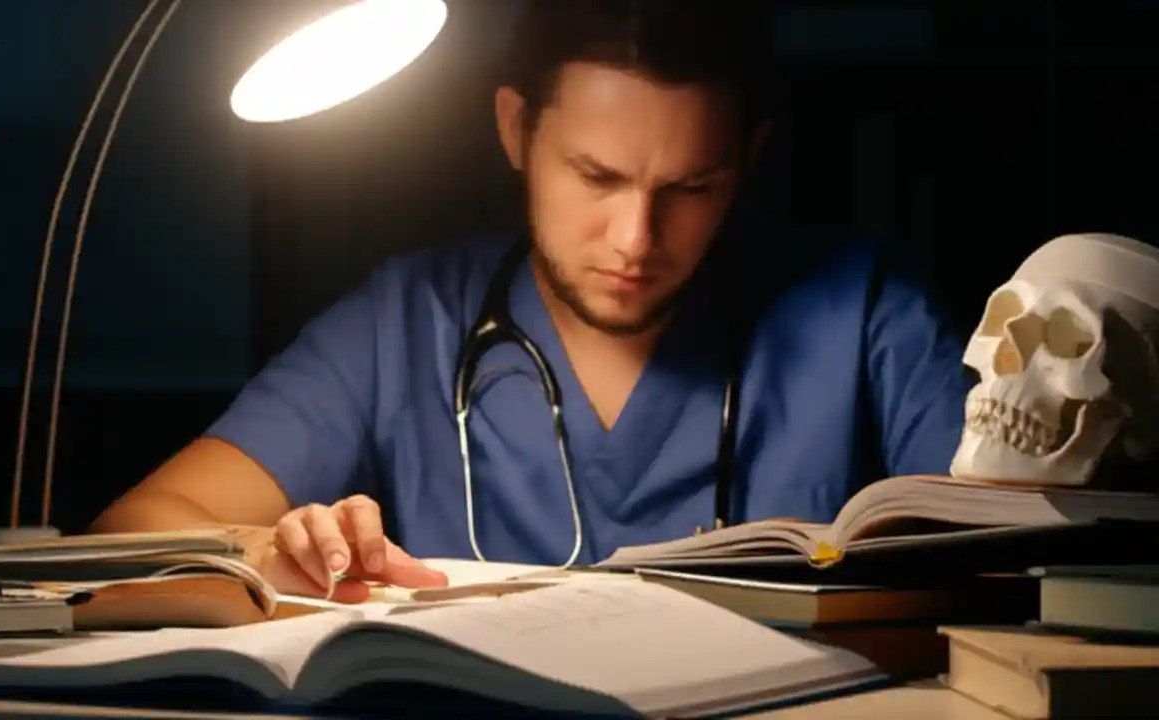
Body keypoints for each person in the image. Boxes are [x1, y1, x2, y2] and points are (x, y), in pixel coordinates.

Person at [92, 1, 969, 602]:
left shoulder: (862, 312)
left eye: (694, 186)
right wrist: (268, 550)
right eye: (596, 176)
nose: (637, 235)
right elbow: (129, 532)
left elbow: (1025, 547)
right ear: (516, 130)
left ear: (751, 156)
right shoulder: (406, 323)